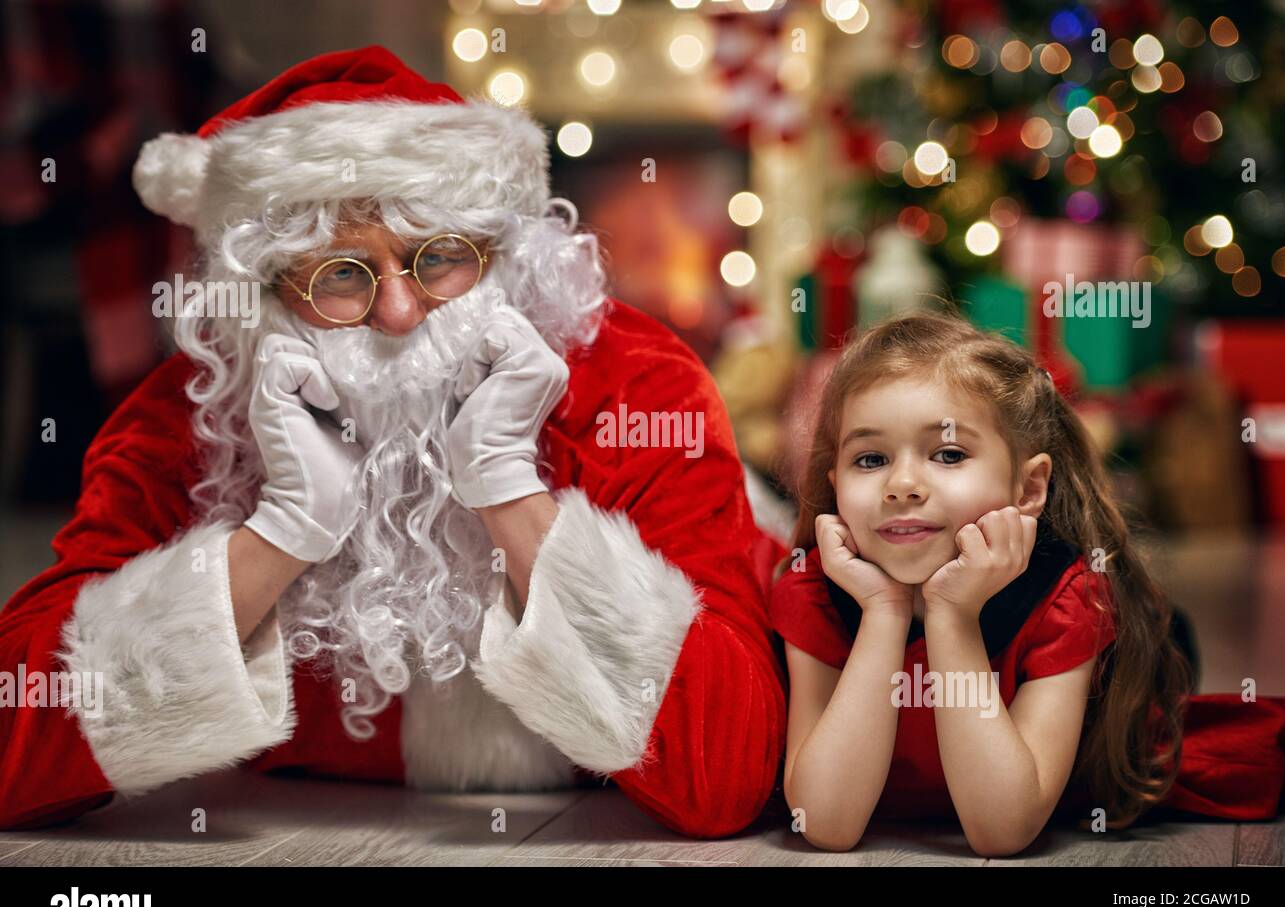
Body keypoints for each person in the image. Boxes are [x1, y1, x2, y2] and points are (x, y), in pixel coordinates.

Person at [0, 46, 787, 838]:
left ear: (503, 256)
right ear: (265, 297)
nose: (403, 313)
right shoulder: (192, 423)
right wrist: (281, 532)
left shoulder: (635, 388)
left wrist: (510, 488)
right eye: (341, 276)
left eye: (441, 258)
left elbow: (728, 776)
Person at [775, 310, 1285, 855]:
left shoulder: (1067, 598)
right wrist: (884, 611)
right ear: (836, 487)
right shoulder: (815, 591)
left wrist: (953, 614)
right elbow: (825, 822)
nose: (902, 484)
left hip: (1134, 666)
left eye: (949, 453)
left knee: (1167, 659)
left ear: (1028, 488)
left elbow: (1002, 829)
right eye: (871, 458)